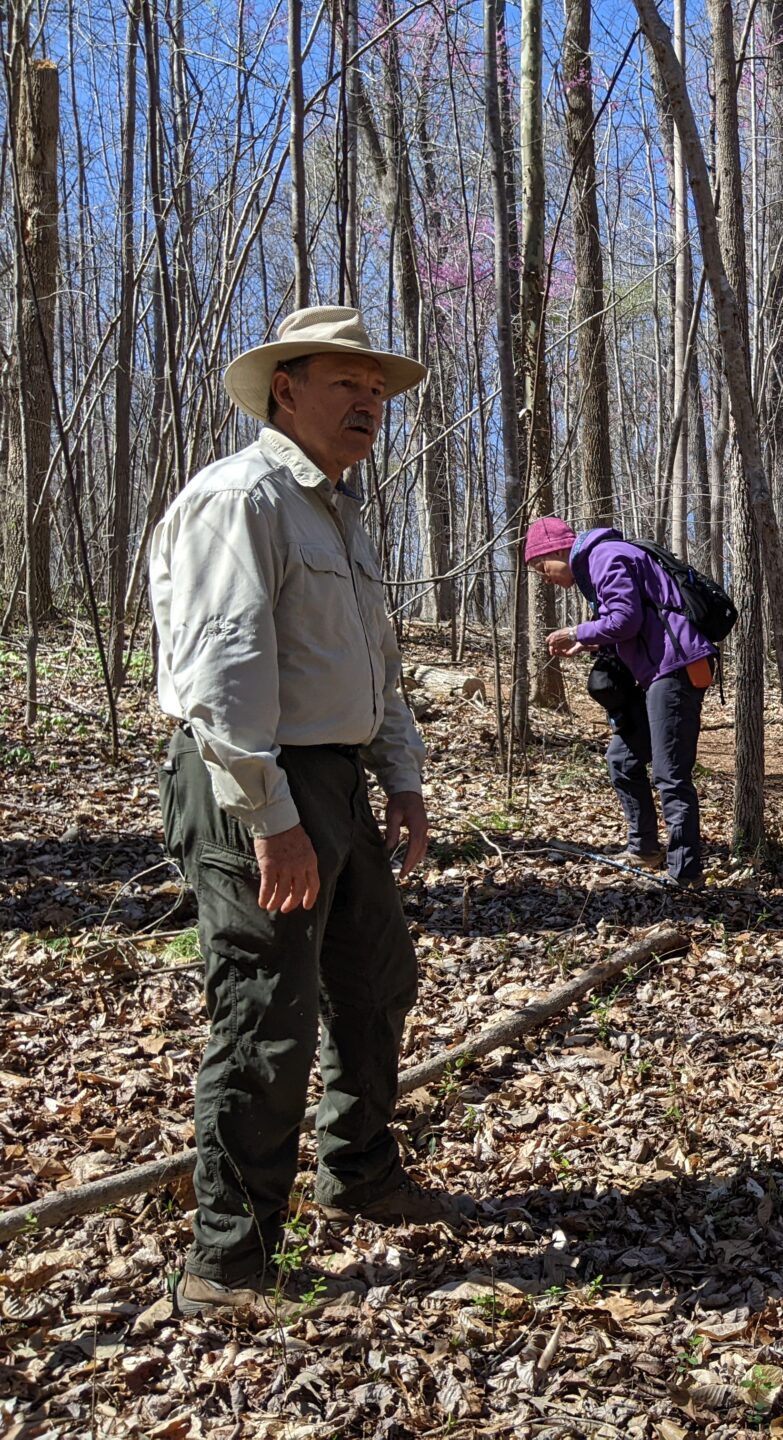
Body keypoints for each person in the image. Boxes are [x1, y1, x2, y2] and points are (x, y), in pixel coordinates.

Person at [149, 306, 470, 1316]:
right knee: (267, 1015)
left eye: (377, 389)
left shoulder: (336, 513)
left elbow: (373, 666)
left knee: (375, 979)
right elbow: (221, 679)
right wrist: (270, 820)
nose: (370, 402)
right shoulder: (239, 500)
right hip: (251, 780)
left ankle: (358, 1169)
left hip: (333, 779)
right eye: (346, 383)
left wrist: (403, 778)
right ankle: (229, 1263)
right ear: (285, 391)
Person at [526, 518, 716, 887]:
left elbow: (625, 620)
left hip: (676, 669)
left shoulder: (606, 556)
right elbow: (631, 621)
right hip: (656, 674)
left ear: (557, 550)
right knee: (623, 759)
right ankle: (645, 849)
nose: (544, 578)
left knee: (670, 774)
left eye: (541, 567)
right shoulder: (599, 561)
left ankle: (685, 874)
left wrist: (576, 631)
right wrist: (589, 642)